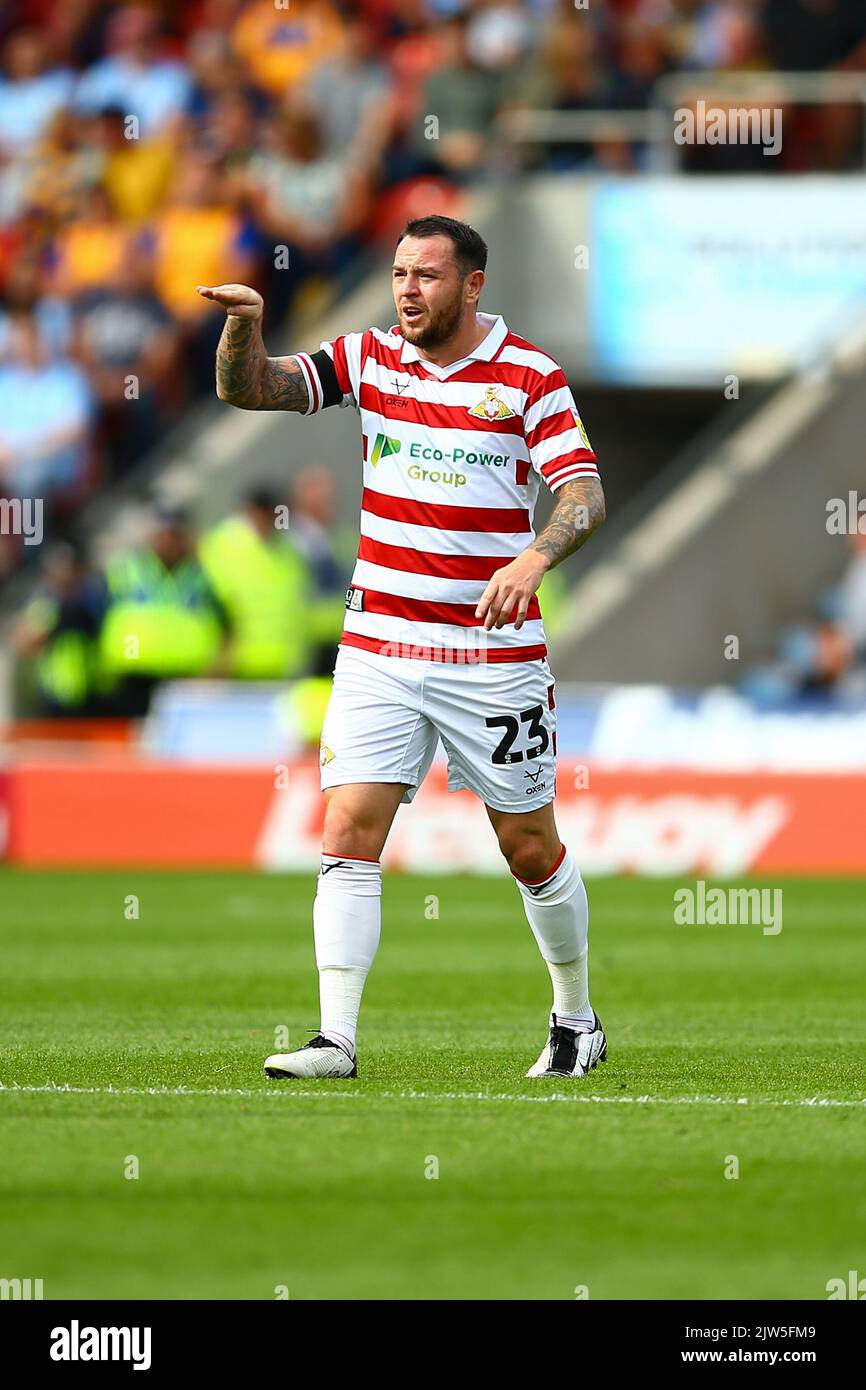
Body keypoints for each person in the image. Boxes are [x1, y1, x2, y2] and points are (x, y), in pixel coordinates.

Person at [198, 213, 607, 1083]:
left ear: (472, 285)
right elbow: (252, 389)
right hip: (379, 644)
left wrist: (534, 558)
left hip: (489, 658)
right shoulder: (370, 357)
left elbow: (583, 494)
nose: (407, 291)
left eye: (426, 275)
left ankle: (576, 1018)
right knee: (348, 826)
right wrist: (243, 327)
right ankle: (335, 1040)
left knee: (529, 846)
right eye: (398, 274)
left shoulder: (529, 374)